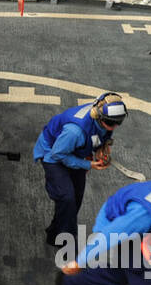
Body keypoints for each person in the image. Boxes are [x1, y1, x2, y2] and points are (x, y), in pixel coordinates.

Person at [32, 92, 127, 248]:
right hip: (53, 153)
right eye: (111, 123)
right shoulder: (75, 131)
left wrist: (104, 145)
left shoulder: (106, 118)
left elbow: (105, 132)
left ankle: (55, 233)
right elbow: (58, 153)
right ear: (99, 116)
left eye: (119, 123)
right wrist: (88, 165)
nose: (114, 126)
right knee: (66, 197)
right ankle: (67, 243)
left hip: (74, 150)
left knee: (76, 197)